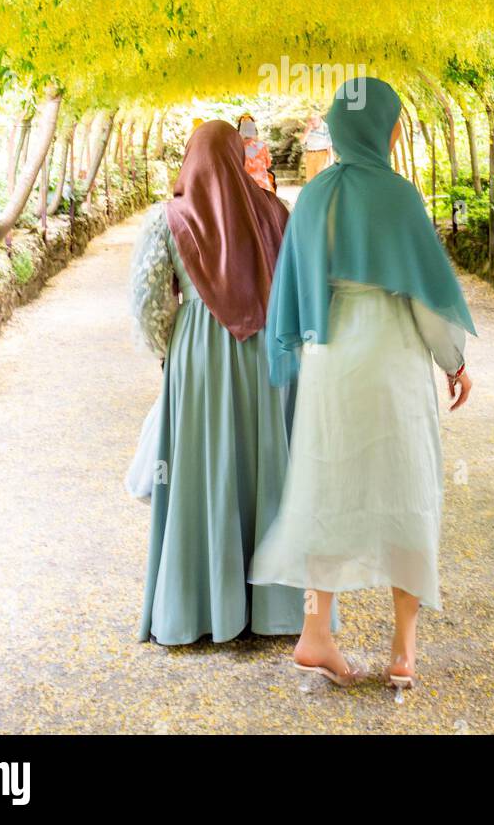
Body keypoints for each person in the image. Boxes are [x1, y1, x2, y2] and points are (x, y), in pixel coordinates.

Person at [250, 77, 477, 689]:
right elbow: (427, 297)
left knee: (330, 482)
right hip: (393, 357)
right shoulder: (400, 198)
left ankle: (316, 632)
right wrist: (452, 361)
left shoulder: (316, 197)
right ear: (385, 127)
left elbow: (293, 286)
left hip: (330, 358)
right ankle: (403, 649)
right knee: (408, 485)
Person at [127, 120, 305, 645]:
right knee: (265, 468)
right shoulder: (275, 212)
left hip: (200, 356)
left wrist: (171, 353)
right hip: (268, 355)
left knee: (203, 470)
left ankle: (202, 606)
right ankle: (273, 606)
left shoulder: (169, 219)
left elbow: (149, 305)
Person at [237, 113, 275, 192]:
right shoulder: (262, 145)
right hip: (262, 186)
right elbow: (268, 164)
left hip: (243, 185)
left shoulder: (236, 146)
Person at [300, 111, 333, 181]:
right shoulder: (308, 127)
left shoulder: (325, 127)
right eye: (311, 120)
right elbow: (302, 141)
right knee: (310, 180)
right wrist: (308, 129)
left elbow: (329, 145)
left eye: (315, 119)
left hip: (322, 154)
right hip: (310, 155)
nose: (313, 122)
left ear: (319, 119)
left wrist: (331, 162)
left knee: (321, 178)